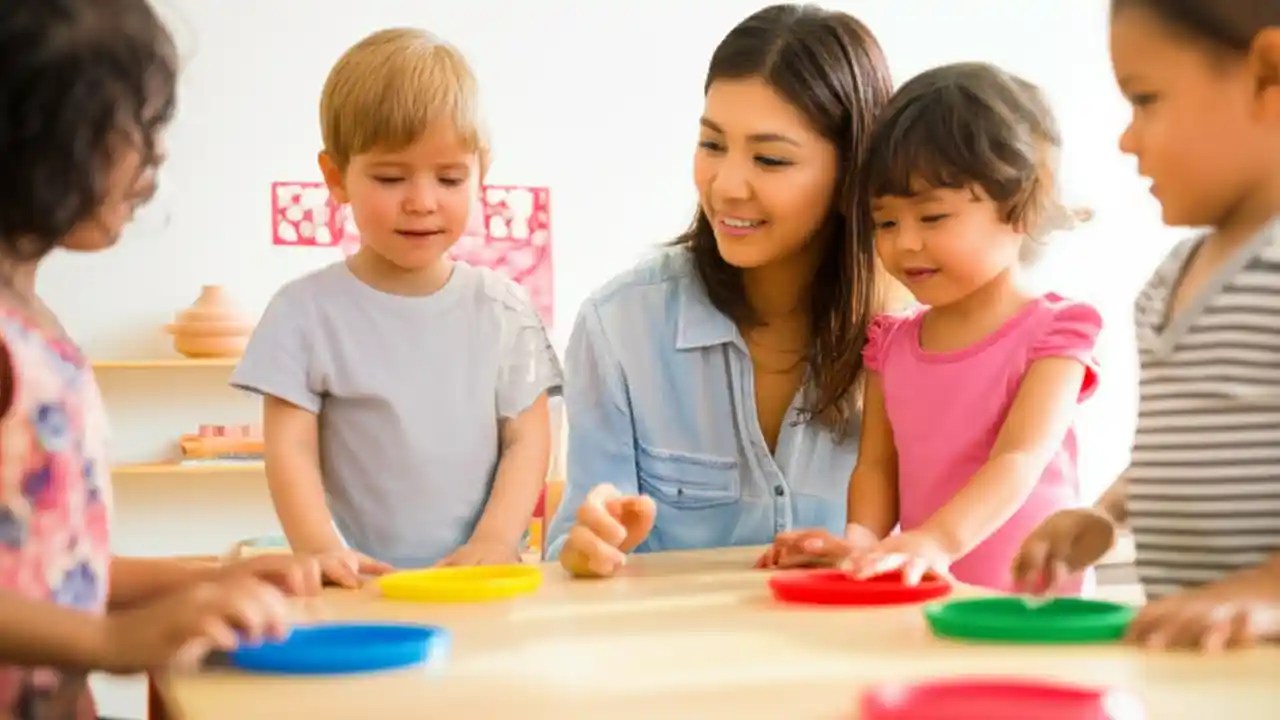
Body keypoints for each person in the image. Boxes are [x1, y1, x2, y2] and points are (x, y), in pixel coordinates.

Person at [0, 2, 343, 716]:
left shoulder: (35, 324)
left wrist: (198, 582)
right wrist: (111, 640)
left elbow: (52, 565)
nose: (152, 160)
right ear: (43, 138)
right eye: (137, 127)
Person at [547, 3, 895, 578]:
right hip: (673, 637)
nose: (727, 186)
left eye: (770, 159)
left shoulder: (912, 337)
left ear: (851, 175)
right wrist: (585, 550)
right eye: (712, 145)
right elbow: (573, 546)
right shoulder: (621, 325)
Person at [759, 63, 1102, 593]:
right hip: (930, 596)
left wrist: (938, 540)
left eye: (933, 217)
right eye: (886, 222)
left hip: (1035, 607)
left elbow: (1020, 459)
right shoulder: (891, 344)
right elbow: (876, 468)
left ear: (1021, 206)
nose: (906, 243)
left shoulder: (1054, 335)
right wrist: (861, 544)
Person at [232, 28, 563, 570]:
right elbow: (290, 449)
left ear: (481, 173)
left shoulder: (505, 311)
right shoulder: (302, 313)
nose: (422, 202)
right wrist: (322, 552)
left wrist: (494, 541)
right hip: (359, 586)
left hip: (477, 581)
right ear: (336, 178)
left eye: (450, 179)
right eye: (390, 178)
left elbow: (528, 440)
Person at [1012, 0, 1280, 650]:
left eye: (1146, 100)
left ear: (1268, 76)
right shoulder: (1169, 280)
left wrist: (1268, 591)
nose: (1126, 139)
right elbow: (1191, 446)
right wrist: (1105, 514)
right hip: (1196, 661)